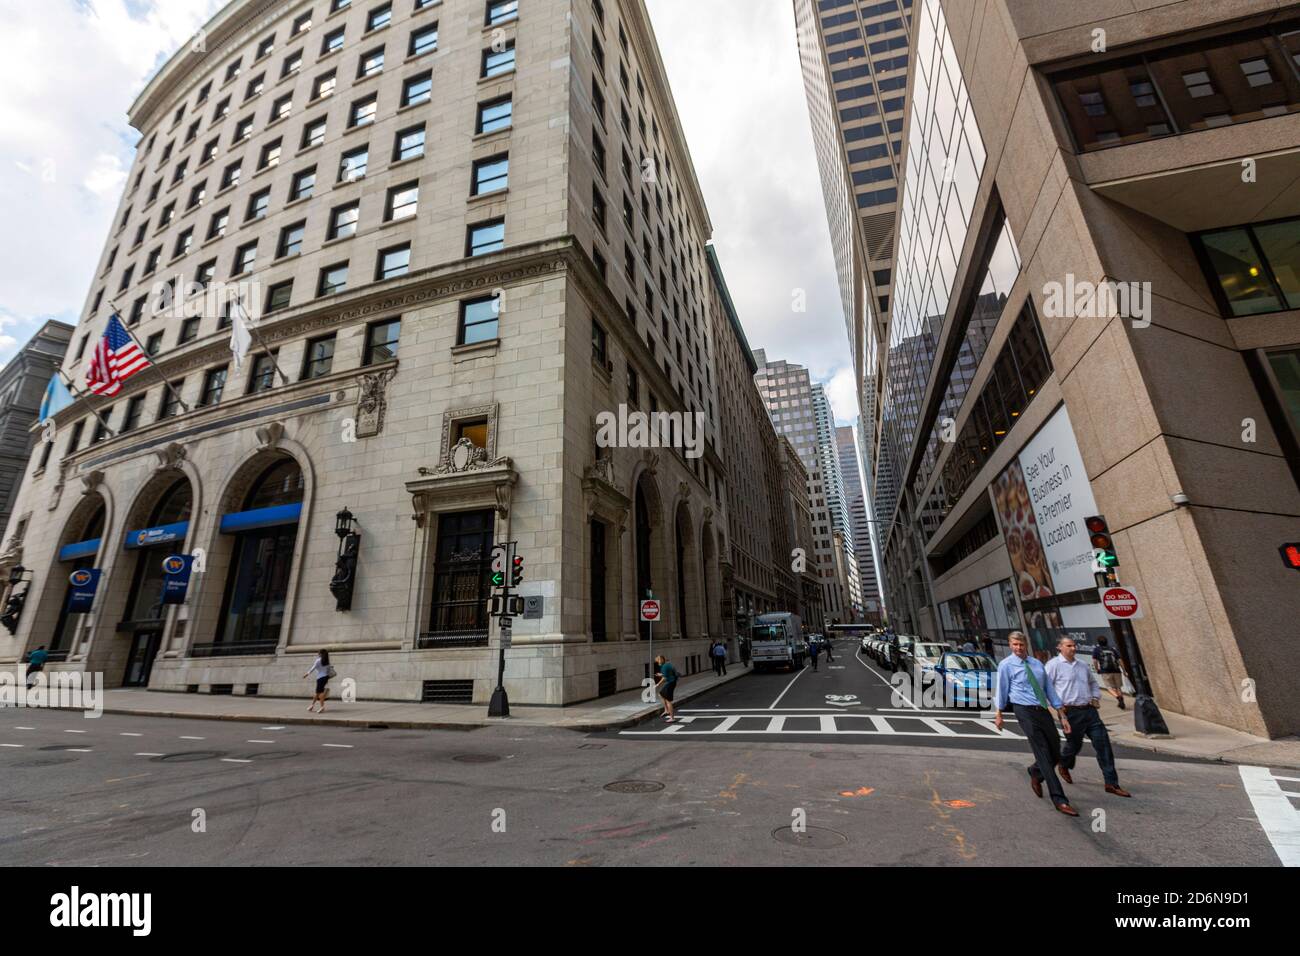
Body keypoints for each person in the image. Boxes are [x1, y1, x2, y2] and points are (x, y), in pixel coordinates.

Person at [994, 631, 1078, 817]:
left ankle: (1035, 772)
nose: (1018, 648)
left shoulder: (1037, 664)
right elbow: (1002, 689)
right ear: (1010, 645)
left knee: (1055, 751)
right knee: (1042, 752)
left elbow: (1048, 688)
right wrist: (998, 713)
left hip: (1042, 710)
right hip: (1023, 710)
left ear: (1026, 644)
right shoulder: (1006, 665)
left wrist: (1061, 714)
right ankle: (1060, 799)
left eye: (1021, 644)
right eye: (1014, 644)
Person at [1046, 637, 1132, 798]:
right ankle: (1064, 763)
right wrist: (1056, 707)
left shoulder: (1082, 665)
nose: (1073, 648)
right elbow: (1046, 687)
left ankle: (1111, 783)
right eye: (1069, 646)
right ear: (1060, 647)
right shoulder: (1053, 665)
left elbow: (1093, 683)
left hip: (1089, 710)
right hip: (1069, 711)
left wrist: (1095, 697)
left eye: (1074, 645)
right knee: (1074, 745)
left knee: (1103, 745)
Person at [1092, 635, 1126, 710]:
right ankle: (1121, 699)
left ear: (1098, 642)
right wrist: (1124, 670)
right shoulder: (1112, 649)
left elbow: (1094, 660)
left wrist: (1097, 669)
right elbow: (1119, 660)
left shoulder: (1097, 650)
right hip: (1116, 671)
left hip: (1105, 671)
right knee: (1118, 687)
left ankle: (1118, 698)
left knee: (1109, 687)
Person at [303, 649, 334, 713]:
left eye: (318, 653)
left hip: (320, 678)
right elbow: (328, 670)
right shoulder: (327, 661)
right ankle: (312, 705)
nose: (318, 654)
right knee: (317, 693)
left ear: (321, 654)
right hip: (325, 677)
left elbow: (313, 668)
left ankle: (322, 707)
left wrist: (307, 674)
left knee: (320, 693)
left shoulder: (318, 660)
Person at [655, 654, 679, 722]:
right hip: (672, 682)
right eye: (657, 662)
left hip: (670, 683)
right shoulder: (667, 664)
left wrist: (658, 684)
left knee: (668, 700)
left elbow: (665, 678)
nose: (658, 663)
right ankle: (666, 710)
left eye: (658, 661)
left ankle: (672, 718)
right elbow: (668, 673)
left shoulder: (664, 667)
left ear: (661, 660)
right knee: (661, 694)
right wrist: (661, 674)